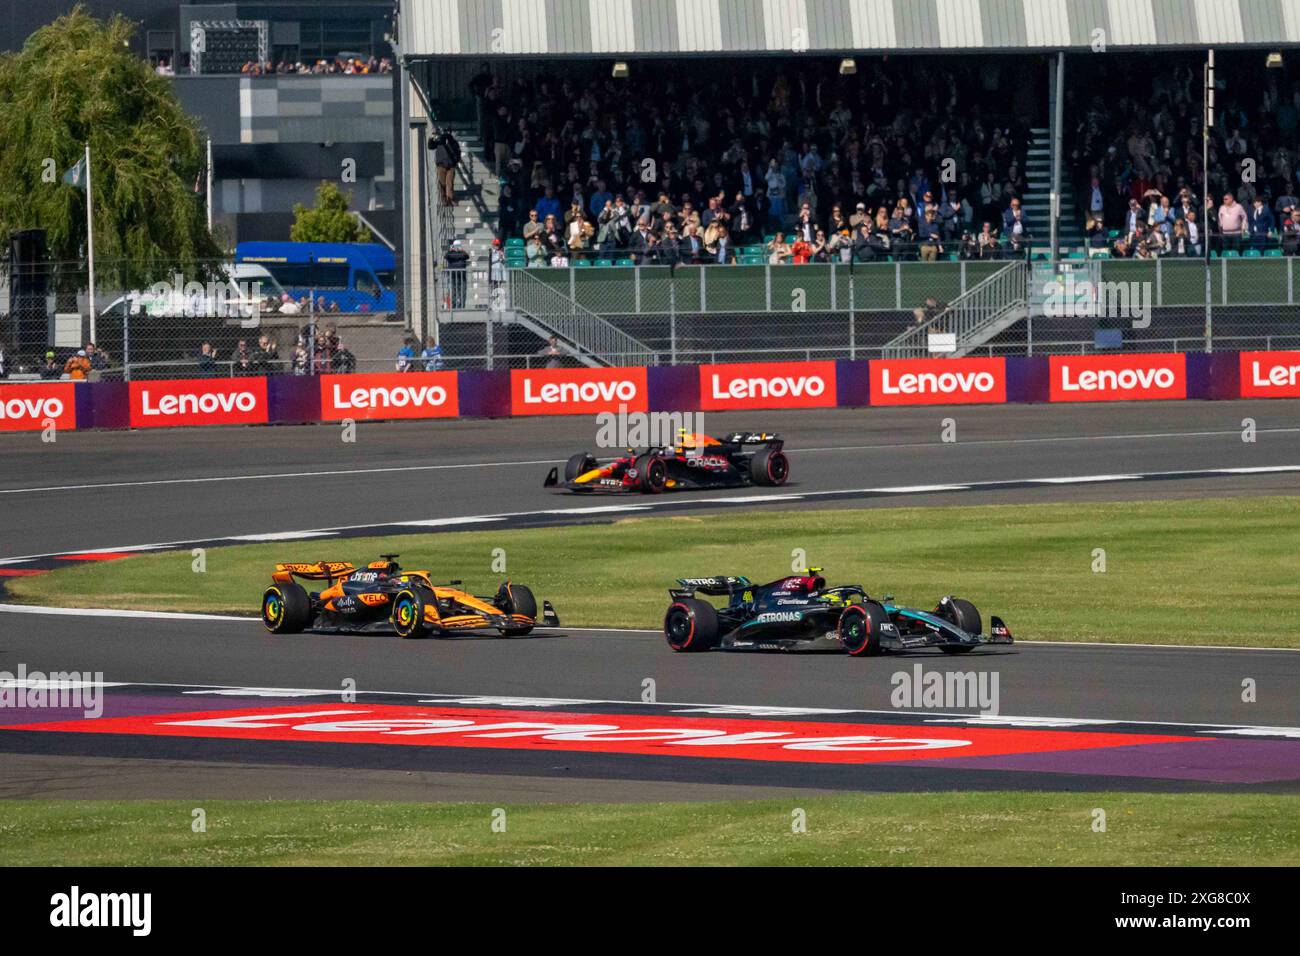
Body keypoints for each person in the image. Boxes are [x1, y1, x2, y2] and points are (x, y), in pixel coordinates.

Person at [428, 126, 461, 205]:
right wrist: (432, 137)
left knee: (449, 183)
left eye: (447, 133)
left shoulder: (453, 142)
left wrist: (455, 161)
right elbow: (430, 146)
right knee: (442, 183)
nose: (446, 135)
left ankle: (450, 199)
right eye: (444, 133)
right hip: (441, 165)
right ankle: (444, 200)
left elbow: (458, 153)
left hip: (451, 166)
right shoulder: (439, 140)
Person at [444, 239, 470, 308]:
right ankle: (454, 305)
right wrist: (451, 250)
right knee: (453, 291)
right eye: (456, 246)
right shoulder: (450, 253)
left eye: (458, 246)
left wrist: (462, 250)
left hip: (462, 276)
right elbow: (446, 256)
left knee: (462, 291)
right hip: (453, 276)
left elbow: (467, 256)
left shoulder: (462, 253)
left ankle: (462, 306)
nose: (457, 247)